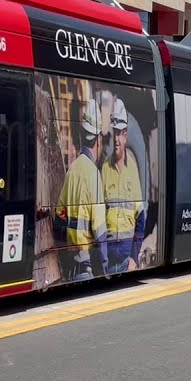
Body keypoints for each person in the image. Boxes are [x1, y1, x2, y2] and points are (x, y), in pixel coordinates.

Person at [54, 97, 106, 282]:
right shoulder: (94, 174)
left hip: (71, 266)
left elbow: (59, 215)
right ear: (98, 139)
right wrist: (105, 265)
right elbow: (99, 231)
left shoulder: (73, 170)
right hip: (87, 268)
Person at [101, 98, 145, 274]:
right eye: (115, 132)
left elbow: (140, 218)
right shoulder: (105, 167)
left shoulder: (133, 169)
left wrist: (134, 257)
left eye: (120, 133)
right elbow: (98, 215)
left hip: (127, 259)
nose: (117, 139)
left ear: (125, 135)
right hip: (109, 259)